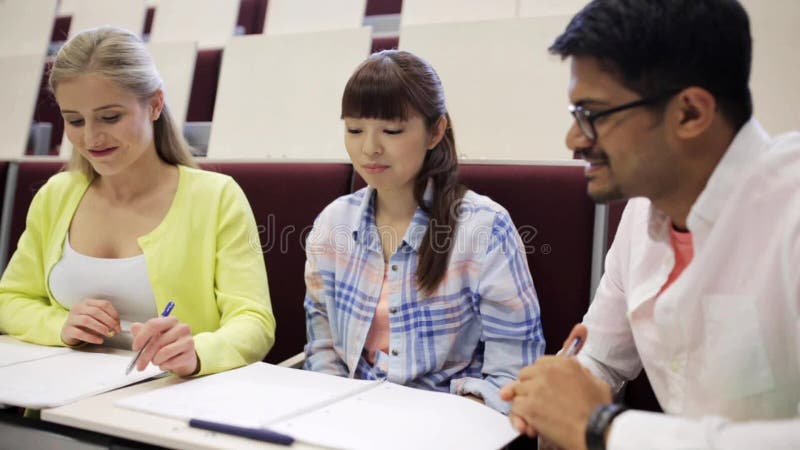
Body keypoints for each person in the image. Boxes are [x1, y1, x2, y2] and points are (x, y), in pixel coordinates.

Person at [499, 0, 800, 448]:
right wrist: (556, 391)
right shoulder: (644, 211)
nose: (574, 140)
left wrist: (601, 428)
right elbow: (601, 358)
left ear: (690, 114)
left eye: (593, 115)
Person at [0, 27, 275, 377]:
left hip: (169, 399)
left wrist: (197, 352)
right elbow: (10, 299)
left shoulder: (216, 197)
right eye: (74, 120)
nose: (91, 137)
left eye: (110, 117)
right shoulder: (56, 194)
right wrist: (59, 325)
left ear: (155, 105)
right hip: (58, 398)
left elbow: (254, 320)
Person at [303, 50, 545, 412]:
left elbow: (512, 373)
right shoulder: (332, 224)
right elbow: (323, 350)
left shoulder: (484, 227)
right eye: (354, 130)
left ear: (435, 131)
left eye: (392, 130)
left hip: (447, 426)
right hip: (347, 424)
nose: (369, 147)